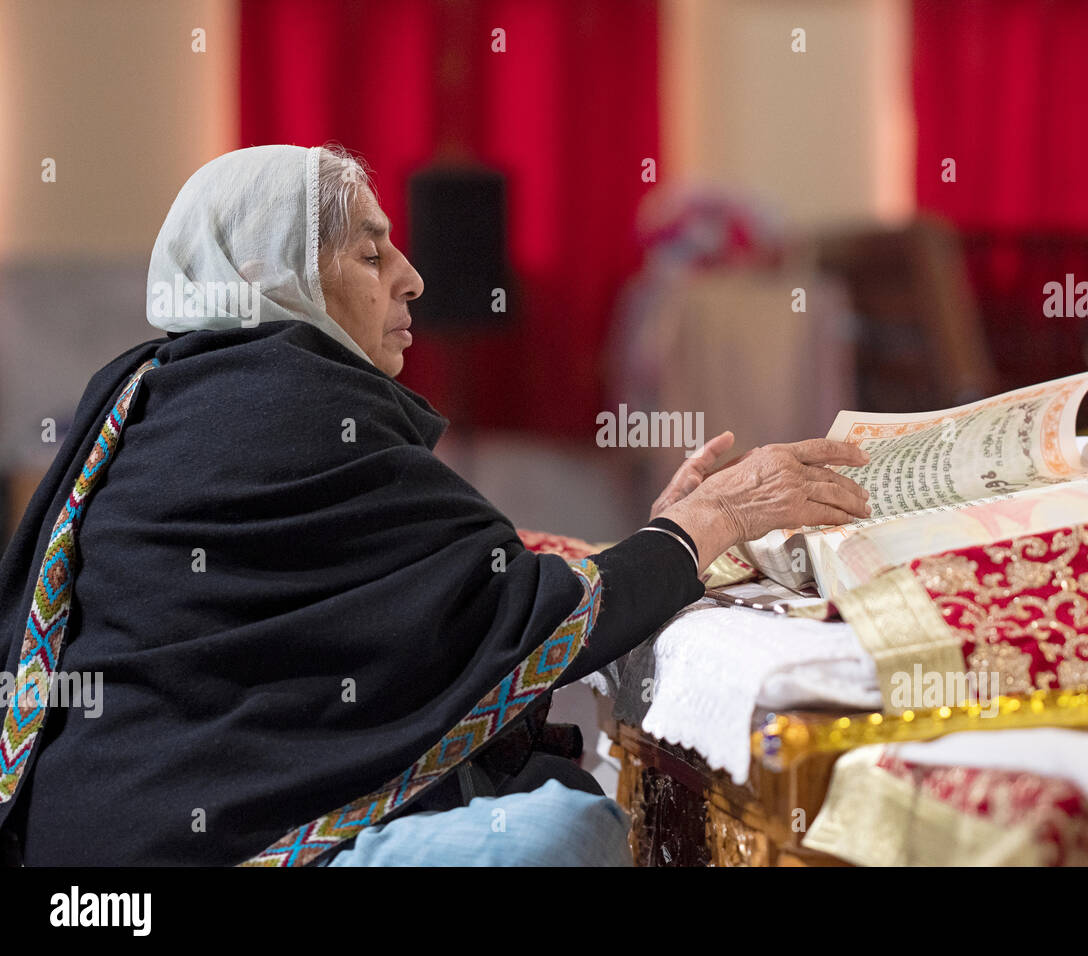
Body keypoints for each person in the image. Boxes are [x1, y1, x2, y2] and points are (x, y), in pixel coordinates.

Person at [0, 144, 870, 867]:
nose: (411, 279)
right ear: (280, 275)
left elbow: (414, 604)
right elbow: (514, 621)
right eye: (371, 253)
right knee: (561, 833)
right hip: (196, 848)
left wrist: (659, 535)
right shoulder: (294, 401)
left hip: (88, 834)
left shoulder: (153, 384)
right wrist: (712, 520)